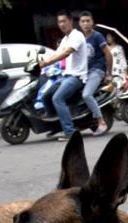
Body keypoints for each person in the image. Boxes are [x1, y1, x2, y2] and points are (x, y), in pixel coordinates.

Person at [39, 10, 88, 141]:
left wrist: (48, 62)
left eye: (64, 21)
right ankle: (56, 126)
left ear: (70, 21)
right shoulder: (65, 39)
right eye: (59, 22)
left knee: (57, 98)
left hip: (77, 77)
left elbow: (66, 53)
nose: (61, 24)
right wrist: (41, 62)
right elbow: (56, 54)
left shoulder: (77, 36)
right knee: (45, 96)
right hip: (65, 76)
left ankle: (70, 132)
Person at [77, 11, 112, 136]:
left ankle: (101, 122)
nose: (85, 23)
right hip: (84, 72)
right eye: (83, 21)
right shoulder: (80, 38)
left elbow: (108, 54)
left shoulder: (97, 36)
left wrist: (109, 73)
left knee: (86, 95)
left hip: (97, 70)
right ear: (79, 24)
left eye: (88, 21)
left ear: (92, 22)